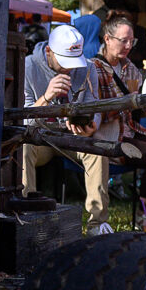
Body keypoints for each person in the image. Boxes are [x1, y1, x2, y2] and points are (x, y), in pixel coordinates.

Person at [19, 23, 109, 227]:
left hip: (70, 138)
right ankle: (24, 217)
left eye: (73, 62)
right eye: (64, 61)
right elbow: (23, 122)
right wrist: (46, 97)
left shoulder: (87, 68)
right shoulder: (28, 67)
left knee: (99, 148)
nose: (69, 68)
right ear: (49, 51)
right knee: (23, 148)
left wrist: (91, 125)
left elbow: (93, 108)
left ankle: (98, 223)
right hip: (39, 139)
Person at [90, 12, 146, 221]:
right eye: (124, 41)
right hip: (107, 137)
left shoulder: (132, 69)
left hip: (129, 131)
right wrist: (125, 103)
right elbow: (93, 115)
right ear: (107, 39)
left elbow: (137, 113)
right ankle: (144, 212)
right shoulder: (92, 68)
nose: (129, 46)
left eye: (132, 41)